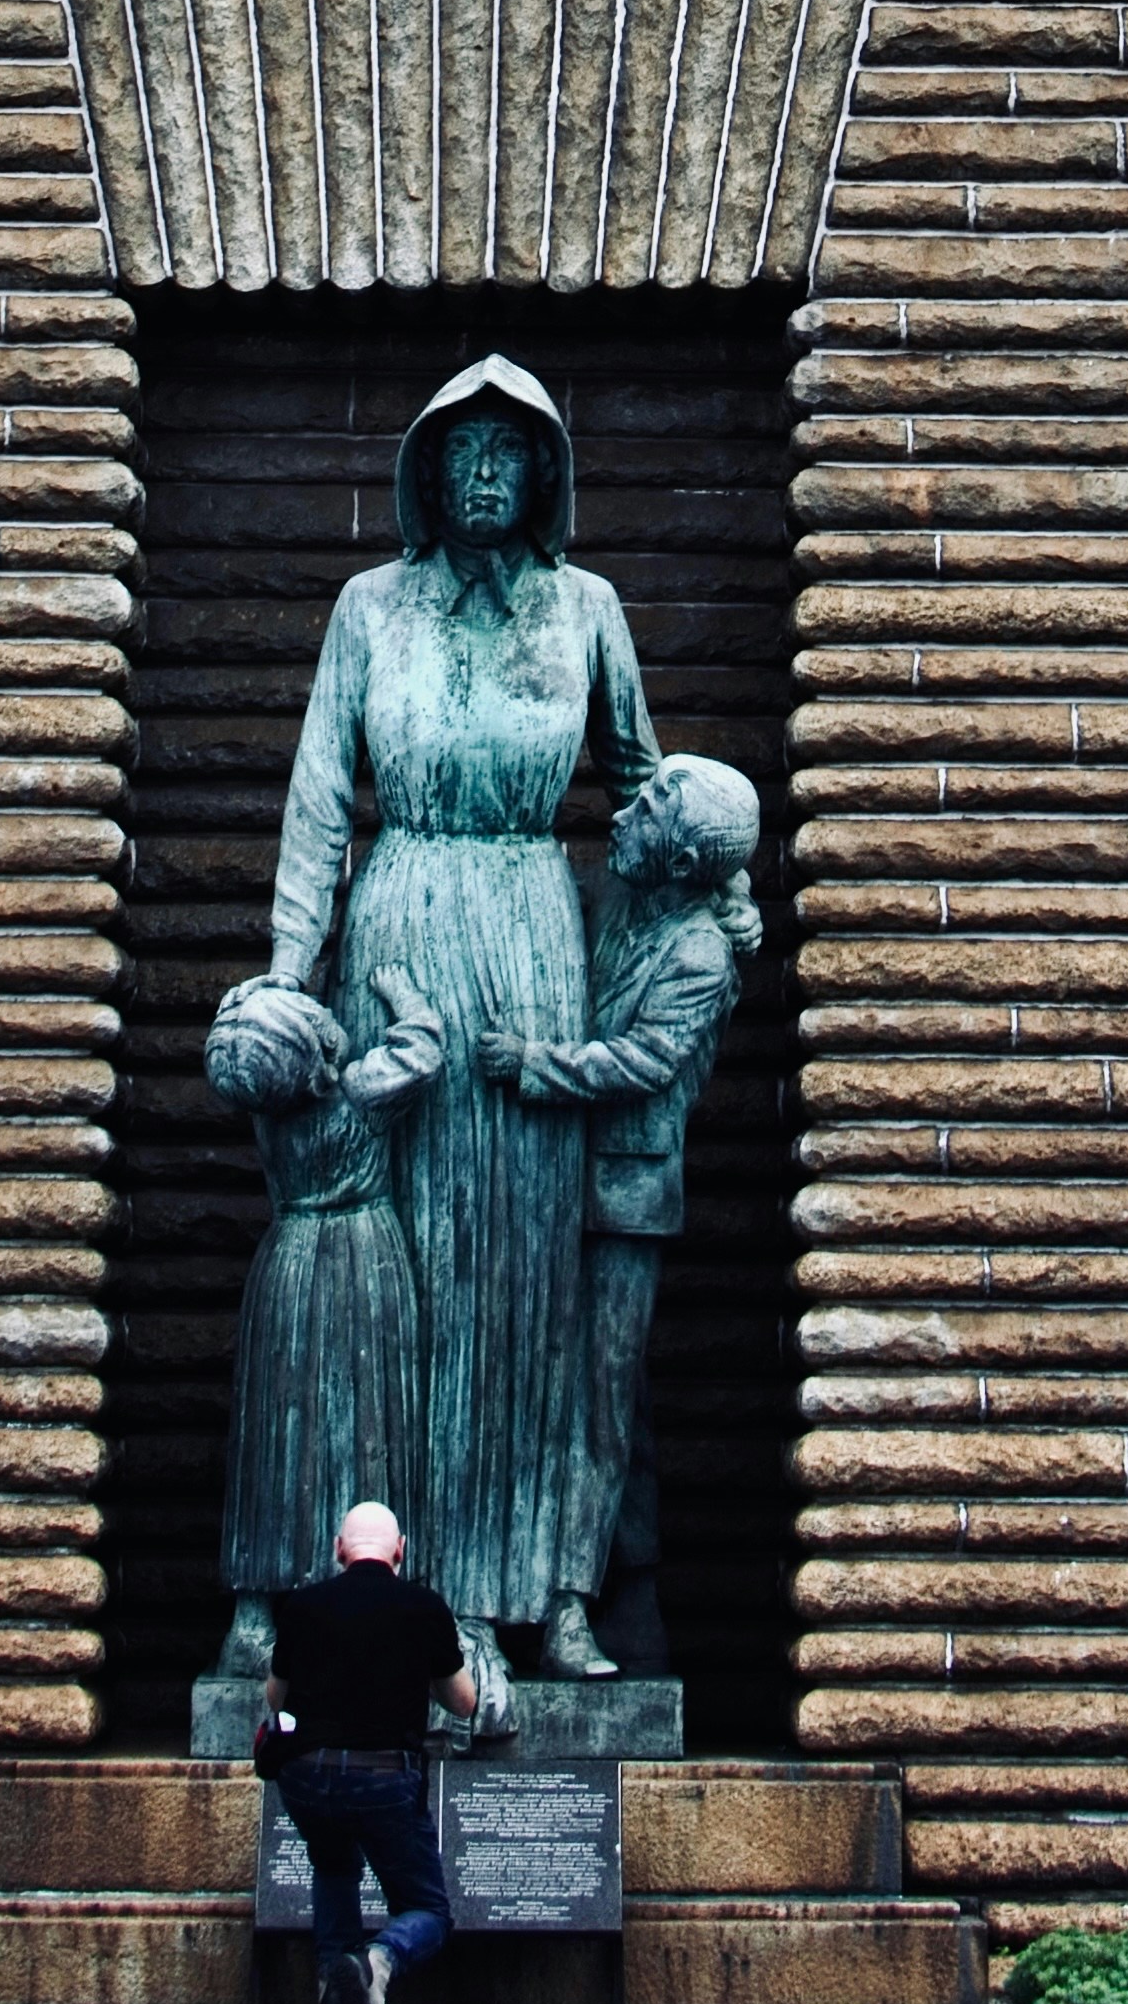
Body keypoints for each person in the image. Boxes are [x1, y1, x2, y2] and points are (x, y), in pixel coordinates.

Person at [266, 353, 660, 1663]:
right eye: (461, 451)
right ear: (425, 470)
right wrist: (287, 977)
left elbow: (648, 802)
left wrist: (697, 941)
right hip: (403, 927)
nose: (484, 473)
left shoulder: (587, 607)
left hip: (535, 938)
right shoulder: (367, 608)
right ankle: (407, 1598)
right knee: (406, 1279)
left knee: (528, 1287)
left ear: (543, 470)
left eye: (509, 451)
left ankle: (536, 1589)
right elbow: (321, 800)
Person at [479, 750, 762, 1674]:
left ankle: (569, 1605)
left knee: (599, 1414)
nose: (624, 814)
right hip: (555, 1181)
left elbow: (642, 1061)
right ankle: (585, 1593)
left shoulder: (699, 950)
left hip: (625, 1202)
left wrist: (532, 1061)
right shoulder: (622, 896)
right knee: (584, 1403)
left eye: (650, 807)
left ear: (682, 860)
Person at [203, 968, 441, 1675]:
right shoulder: (357, 1094)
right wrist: (402, 991)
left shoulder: (267, 1105)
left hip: (288, 1265)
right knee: (367, 1425)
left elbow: (246, 1032)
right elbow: (424, 1048)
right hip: (361, 1259)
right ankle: (367, 1598)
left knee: (276, 1439)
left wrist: (257, 997)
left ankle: (254, 1618)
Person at [265, 1497, 480, 2004]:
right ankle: (375, 1965)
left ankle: (335, 1999)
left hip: (307, 1778)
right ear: (399, 1552)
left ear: (339, 1549)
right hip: (384, 1777)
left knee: (335, 1867)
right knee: (427, 1908)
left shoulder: (302, 1606)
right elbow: (463, 1702)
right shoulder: (422, 1606)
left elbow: (276, 1696)